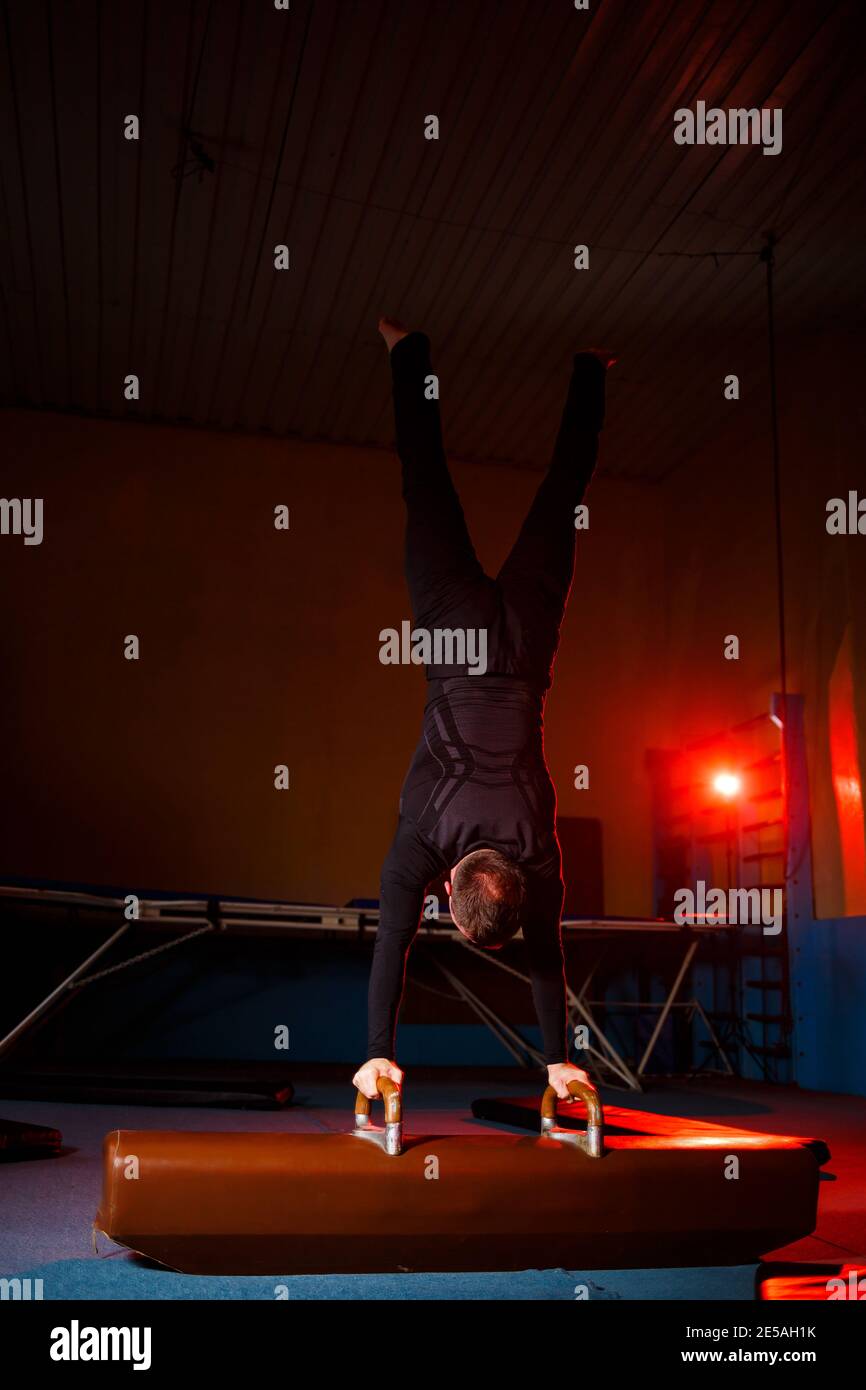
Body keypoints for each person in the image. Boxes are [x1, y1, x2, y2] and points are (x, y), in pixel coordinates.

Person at [354, 318, 614, 1104]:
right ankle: (406, 350)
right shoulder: (421, 838)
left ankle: (592, 368)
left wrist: (557, 1058)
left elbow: (549, 959)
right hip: (452, 634)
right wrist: (375, 1053)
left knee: (560, 498)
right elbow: (389, 946)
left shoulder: (540, 860)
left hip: (528, 645)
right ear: (448, 899)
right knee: (424, 481)